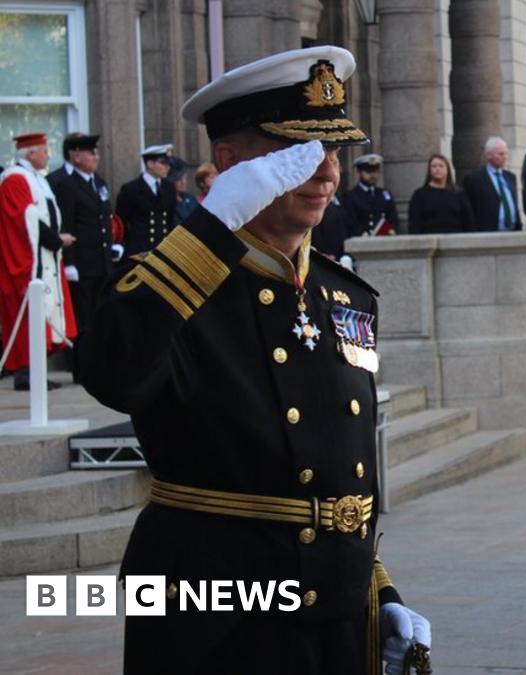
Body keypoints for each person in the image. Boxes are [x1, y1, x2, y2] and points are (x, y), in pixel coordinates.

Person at [76, 46, 430, 674]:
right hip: (217, 622)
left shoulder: (343, 294)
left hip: (335, 611)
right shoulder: (168, 287)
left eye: (333, 151)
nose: (325, 173)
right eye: (296, 152)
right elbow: (113, 370)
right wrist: (211, 225)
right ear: (230, 164)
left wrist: (378, 590)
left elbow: (338, 471)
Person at [0, 132, 77, 390]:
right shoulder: (15, 179)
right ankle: (26, 373)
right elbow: (26, 219)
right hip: (29, 260)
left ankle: (36, 371)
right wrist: (56, 240)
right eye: (44, 150)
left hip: (46, 258)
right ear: (31, 153)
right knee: (28, 316)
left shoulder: (36, 179)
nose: (48, 155)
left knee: (44, 314)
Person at [48, 132, 112, 353]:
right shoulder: (66, 184)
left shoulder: (98, 182)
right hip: (82, 263)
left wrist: (112, 246)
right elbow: (66, 224)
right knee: (83, 315)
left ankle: (98, 356)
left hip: (101, 261)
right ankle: (82, 359)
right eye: (91, 153)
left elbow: (104, 219)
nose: (96, 157)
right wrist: (69, 263)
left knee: (100, 313)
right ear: (76, 156)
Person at [115, 144, 177, 257]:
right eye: (163, 163)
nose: (167, 167)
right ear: (150, 164)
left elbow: (170, 219)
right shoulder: (131, 189)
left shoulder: (169, 188)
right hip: (139, 250)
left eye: (168, 164)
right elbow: (121, 221)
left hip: (162, 249)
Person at [461, 136, 523, 232]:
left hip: (512, 231)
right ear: (488, 155)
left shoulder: (510, 177)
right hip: (488, 232)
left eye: (506, 153)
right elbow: (469, 210)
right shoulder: (474, 179)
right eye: (501, 154)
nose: (505, 157)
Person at [406, 153, 474, 234]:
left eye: (441, 166)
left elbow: (469, 221)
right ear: (429, 170)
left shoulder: (459, 194)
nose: (437, 169)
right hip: (429, 237)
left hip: (455, 237)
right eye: (434, 166)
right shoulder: (419, 195)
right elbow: (414, 223)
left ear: (447, 169)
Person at [341, 153, 401, 236]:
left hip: (383, 238)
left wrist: (391, 230)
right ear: (359, 172)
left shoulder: (384, 194)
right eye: (368, 171)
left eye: (375, 171)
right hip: (360, 240)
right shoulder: (350, 196)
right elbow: (351, 222)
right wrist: (361, 233)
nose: (373, 175)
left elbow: (393, 218)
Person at [168, 157, 200, 222]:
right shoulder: (165, 203)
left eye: (184, 177)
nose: (183, 182)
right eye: (178, 179)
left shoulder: (190, 198)